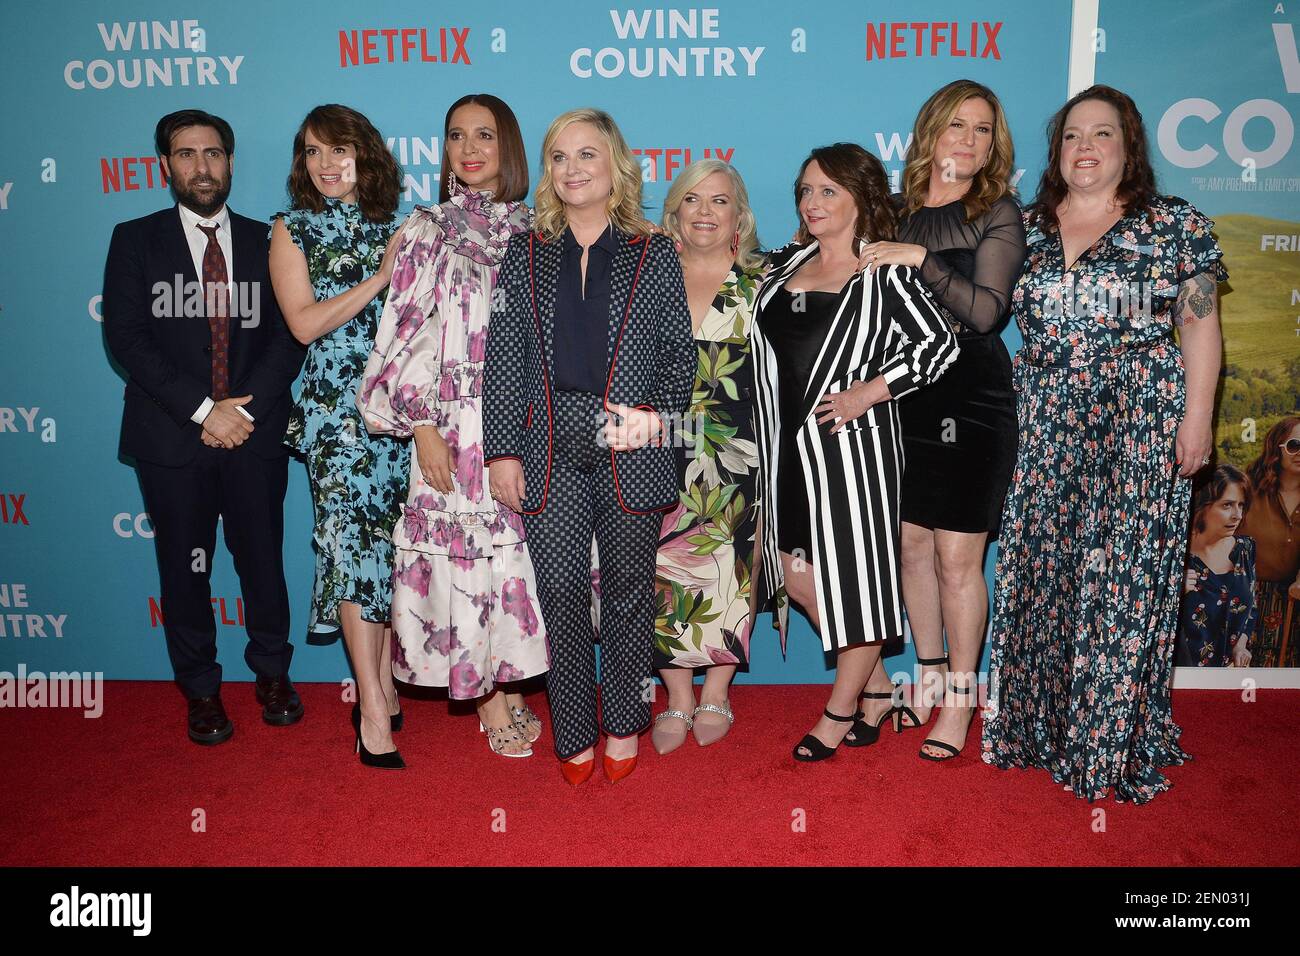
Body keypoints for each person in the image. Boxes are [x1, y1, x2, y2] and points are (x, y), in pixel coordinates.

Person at [982, 85, 1226, 803]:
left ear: (1129, 147)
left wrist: (1198, 416)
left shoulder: (1175, 225)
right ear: (1056, 150)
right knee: (1042, 572)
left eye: (1103, 134)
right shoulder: (1022, 227)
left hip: (1144, 413)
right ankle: (1035, 730)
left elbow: (1200, 327)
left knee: (1122, 581)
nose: (1085, 147)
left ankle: (1108, 742)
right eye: (1071, 136)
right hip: (1044, 415)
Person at [483, 108, 695, 784]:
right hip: (546, 442)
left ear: (615, 169)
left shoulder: (652, 250)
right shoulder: (525, 250)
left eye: (587, 156)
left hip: (628, 437)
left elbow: (677, 354)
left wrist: (655, 418)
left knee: (631, 591)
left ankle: (625, 724)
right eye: (558, 157)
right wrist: (500, 450)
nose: (572, 169)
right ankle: (573, 729)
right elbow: (505, 358)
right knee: (563, 589)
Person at [750, 142, 959, 762]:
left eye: (828, 192)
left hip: (852, 452)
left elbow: (939, 347)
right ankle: (875, 689)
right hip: (785, 450)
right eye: (806, 191)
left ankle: (837, 714)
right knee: (796, 578)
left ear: (861, 200)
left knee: (857, 583)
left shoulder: (883, 272)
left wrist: (868, 393)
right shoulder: (785, 266)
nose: (813, 203)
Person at [103, 109, 306, 745]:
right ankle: (201, 690)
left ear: (231, 163)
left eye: (213, 153)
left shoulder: (266, 238)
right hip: (172, 438)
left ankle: (272, 674)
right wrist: (202, 410)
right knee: (185, 571)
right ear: (165, 165)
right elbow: (128, 340)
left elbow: (289, 335)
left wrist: (240, 413)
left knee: (262, 564)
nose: (201, 166)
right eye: (186, 154)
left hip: (254, 434)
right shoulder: (135, 239)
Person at [357, 94, 548, 758]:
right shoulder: (427, 228)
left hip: (526, 422)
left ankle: (514, 679)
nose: (469, 148)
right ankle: (488, 698)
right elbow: (407, 328)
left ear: (510, 147)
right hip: (454, 422)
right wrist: (421, 426)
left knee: (516, 555)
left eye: (485, 135)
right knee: (467, 558)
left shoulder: (539, 227)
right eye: (456, 136)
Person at [855, 79, 1025, 760]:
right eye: (958, 124)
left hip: (973, 398)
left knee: (959, 559)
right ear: (930, 131)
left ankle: (961, 698)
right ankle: (925, 671)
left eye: (983, 130)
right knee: (908, 546)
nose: (969, 139)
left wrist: (920, 260)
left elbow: (986, 314)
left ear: (994, 146)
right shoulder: (891, 211)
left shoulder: (998, 212)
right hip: (900, 395)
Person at [269, 104, 410, 769]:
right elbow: (303, 325)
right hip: (334, 415)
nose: (327, 165)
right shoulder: (291, 229)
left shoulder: (405, 227)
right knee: (351, 550)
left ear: (367, 155)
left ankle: (379, 682)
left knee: (386, 553)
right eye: (314, 152)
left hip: (401, 414)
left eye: (341, 150)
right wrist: (379, 278)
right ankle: (374, 711)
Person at [651, 159, 766, 754]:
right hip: (659, 445)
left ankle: (718, 689)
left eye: (719, 201)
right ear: (673, 213)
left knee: (729, 568)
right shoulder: (646, 277)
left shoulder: (766, 284)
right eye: (691, 200)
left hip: (738, 454)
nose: (704, 212)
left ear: (738, 216)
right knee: (662, 569)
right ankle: (676, 695)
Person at [1177, 465, 1256, 666]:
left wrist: (1240, 646)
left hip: (1227, 678)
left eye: (1241, 505)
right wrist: (1173, 590)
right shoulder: (1177, 555)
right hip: (1182, 680)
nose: (1237, 515)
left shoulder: (1245, 549)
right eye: (1227, 505)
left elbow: (1251, 608)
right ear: (1203, 504)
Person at [1238, 416, 1300, 667]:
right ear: (1277, 449)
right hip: (1246, 598)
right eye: (1294, 445)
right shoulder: (1249, 489)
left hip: (1294, 603)